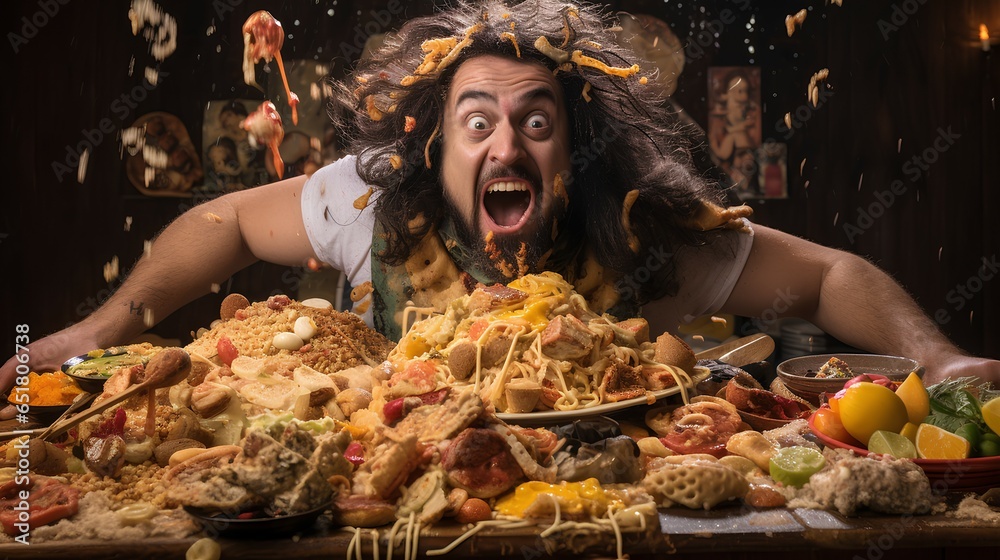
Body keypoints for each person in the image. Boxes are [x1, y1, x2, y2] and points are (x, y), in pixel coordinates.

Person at [3, 0, 997, 411]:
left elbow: (830, 274)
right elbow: (218, 224)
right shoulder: (369, 198)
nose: (504, 143)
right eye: (475, 120)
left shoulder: (643, 235)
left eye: (535, 121)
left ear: (575, 146)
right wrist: (107, 321)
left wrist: (942, 359)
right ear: (437, 145)